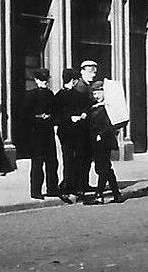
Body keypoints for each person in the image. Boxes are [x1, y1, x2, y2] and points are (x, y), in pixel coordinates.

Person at [79, 60, 125, 204]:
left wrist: (100, 135)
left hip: (103, 140)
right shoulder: (96, 106)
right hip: (99, 141)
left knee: (101, 168)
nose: (96, 95)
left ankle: (99, 195)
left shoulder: (106, 108)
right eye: (94, 93)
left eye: (99, 92)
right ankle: (117, 194)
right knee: (106, 168)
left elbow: (109, 125)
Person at [16, 68, 59, 200]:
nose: (43, 82)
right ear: (36, 80)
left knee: (52, 161)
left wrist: (50, 117)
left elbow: (56, 111)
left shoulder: (50, 94)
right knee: (37, 162)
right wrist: (38, 119)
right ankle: (36, 190)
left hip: (48, 131)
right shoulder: (30, 95)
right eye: (41, 80)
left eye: (45, 80)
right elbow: (24, 116)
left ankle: (52, 188)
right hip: (36, 132)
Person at [55, 67, 93, 201]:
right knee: (68, 159)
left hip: (78, 132)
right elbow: (56, 116)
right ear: (73, 80)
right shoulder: (59, 96)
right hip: (66, 132)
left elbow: (87, 107)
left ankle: (78, 185)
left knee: (78, 159)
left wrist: (84, 114)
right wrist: (70, 118)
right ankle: (67, 186)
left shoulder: (78, 95)